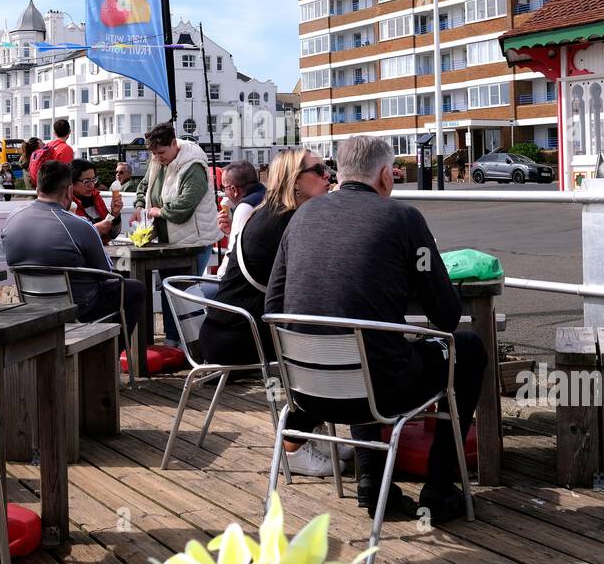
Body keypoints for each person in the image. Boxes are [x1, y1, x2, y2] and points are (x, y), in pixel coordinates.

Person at [265, 134, 487, 523]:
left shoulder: (302, 217)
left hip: (306, 395)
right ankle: (438, 486)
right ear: (385, 175)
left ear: (340, 172)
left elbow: (273, 307)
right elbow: (447, 316)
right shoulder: (403, 218)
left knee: (365, 345)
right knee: (466, 348)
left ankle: (371, 477)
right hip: (380, 391)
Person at [199, 148, 338, 475]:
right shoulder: (288, 220)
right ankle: (294, 445)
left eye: (327, 168)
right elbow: (312, 283)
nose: (328, 174)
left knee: (325, 338)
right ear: (295, 181)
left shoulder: (276, 211)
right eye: (318, 170)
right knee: (332, 346)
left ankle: (311, 434)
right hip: (238, 333)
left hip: (226, 326)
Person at [0, 160, 145, 345]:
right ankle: (110, 355)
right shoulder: (79, 226)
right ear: (69, 190)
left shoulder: (12, 219)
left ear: (38, 187)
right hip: (79, 306)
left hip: (31, 302)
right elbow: (106, 273)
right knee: (134, 289)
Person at [134, 122, 221, 345]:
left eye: (161, 152)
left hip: (194, 241)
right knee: (168, 290)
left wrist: (158, 211)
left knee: (185, 292)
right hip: (169, 240)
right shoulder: (158, 160)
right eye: (154, 153)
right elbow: (145, 185)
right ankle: (173, 339)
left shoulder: (193, 166)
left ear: (174, 143)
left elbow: (184, 206)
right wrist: (139, 204)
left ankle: (192, 344)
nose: (158, 157)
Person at [216, 160, 264, 275]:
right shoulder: (267, 197)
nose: (223, 192)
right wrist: (231, 231)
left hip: (248, 279)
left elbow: (233, 253)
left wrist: (220, 275)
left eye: (224, 188)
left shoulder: (245, 207)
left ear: (234, 190)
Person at [70, 158, 123, 243]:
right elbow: (70, 239)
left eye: (93, 180)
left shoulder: (96, 197)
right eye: (86, 181)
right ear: (72, 181)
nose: (91, 185)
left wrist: (115, 214)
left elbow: (113, 234)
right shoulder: (67, 204)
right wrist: (95, 229)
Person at [28, 119, 75, 187]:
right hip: (56, 188)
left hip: (44, 184)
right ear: (69, 132)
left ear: (54, 133)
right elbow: (66, 173)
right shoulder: (66, 149)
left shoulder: (47, 145)